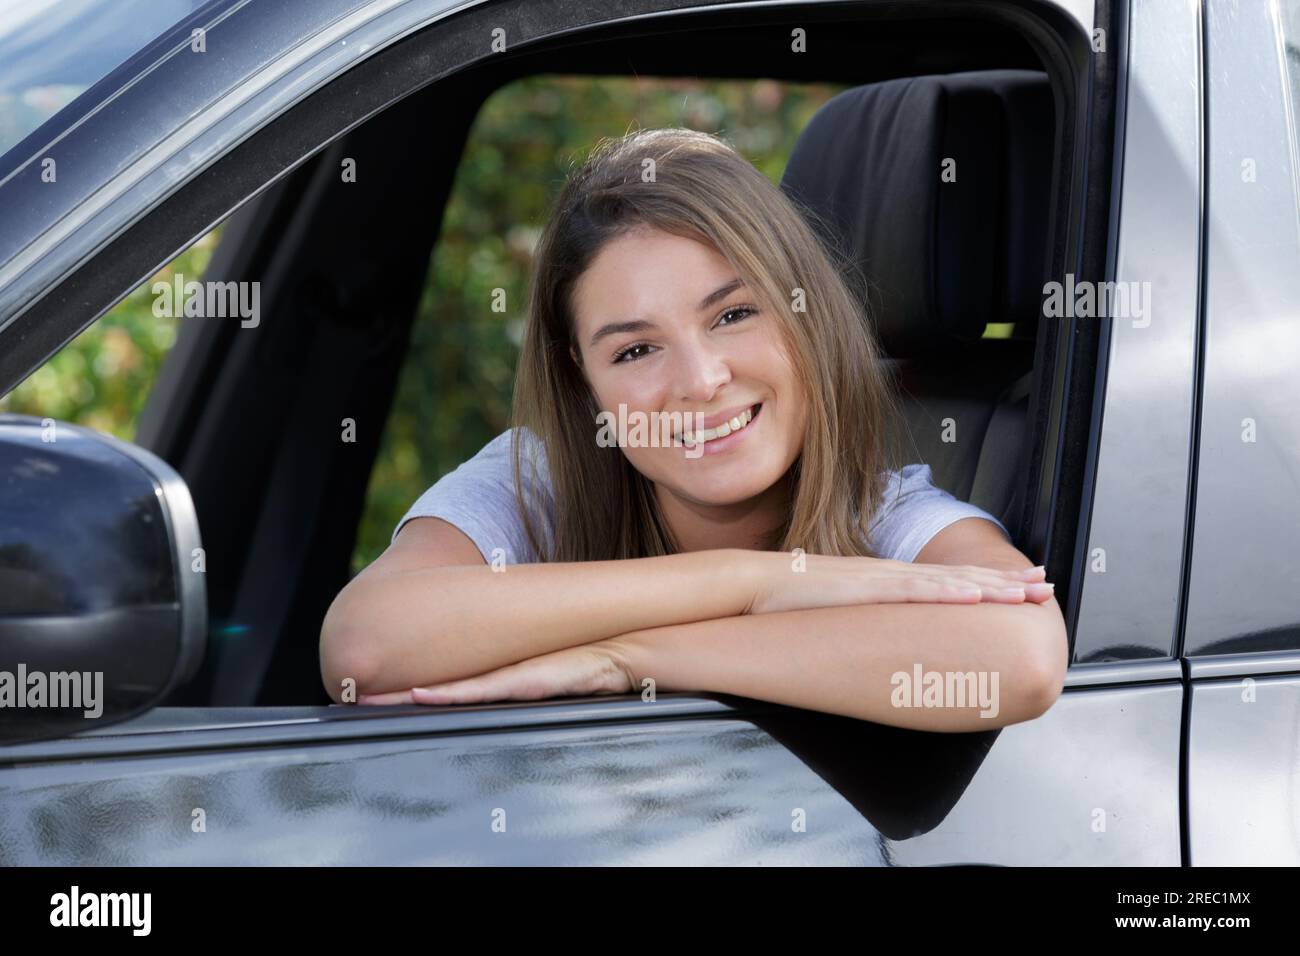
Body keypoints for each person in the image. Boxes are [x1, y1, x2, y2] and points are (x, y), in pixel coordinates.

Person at [320, 128, 1066, 731]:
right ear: (584, 383)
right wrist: (753, 582)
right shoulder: (538, 481)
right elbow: (364, 648)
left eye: (734, 314)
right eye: (636, 349)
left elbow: (1021, 658)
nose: (701, 381)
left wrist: (623, 659)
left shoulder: (886, 517)